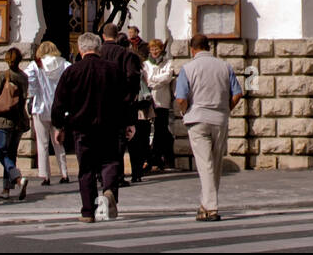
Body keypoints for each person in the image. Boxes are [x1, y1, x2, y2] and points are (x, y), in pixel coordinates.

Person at [50, 32, 135, 223]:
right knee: (110, 161)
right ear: (99, 49)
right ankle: (108, 190)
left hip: (82, 128)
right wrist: (129, 122)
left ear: (80, 50)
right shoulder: (113, 70)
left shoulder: (72, 71)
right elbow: (126, 98)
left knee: (86, 169)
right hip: (110, 126)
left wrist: (59, 126)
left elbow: (59, 103)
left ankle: (88, 212)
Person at [175, 35, 243, 222]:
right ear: (209, 47)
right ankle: (206, 205)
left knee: (205, 164)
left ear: (192, 49)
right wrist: (225, 109)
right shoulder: (225, 66)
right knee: (215, 163)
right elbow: (237, 94)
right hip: (220, 119)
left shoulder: (187, 68)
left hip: (197, 118)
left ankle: (211, 207)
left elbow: (181, 98)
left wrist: (184, 111)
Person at [98, 23, 142, 184]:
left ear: (103, 36)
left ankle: (101, 174)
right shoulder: (126, 54)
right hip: (119, 105)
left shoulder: (98, 52)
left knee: (101, 140)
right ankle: (117, 175)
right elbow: (132, 78)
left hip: (100, 104)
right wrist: (129, 99)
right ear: (117, 36)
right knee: (118, 141)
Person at [25, 40, 71, 185]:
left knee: (42, 143)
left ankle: (45, 175)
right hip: (58, 108)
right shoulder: (64, 64)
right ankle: (64, 173)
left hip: (40, 107)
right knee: (58, 141)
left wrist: (33, 93)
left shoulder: (35, 65)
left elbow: (29, 82)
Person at [0, 46, 29, 200]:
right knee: (11, 154)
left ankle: (18, 179)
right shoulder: (24, 77)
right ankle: (6, 189)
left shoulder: (4, 75)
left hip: (4, 120)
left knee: (2, 153)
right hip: (19, 120)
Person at [143, 40, 176, 171]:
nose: (155, 51)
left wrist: (153, 80)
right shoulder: (146, 64)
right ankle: (157, 157)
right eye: (152, 49)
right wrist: (156, 79)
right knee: (150, 130)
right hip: (150, 101)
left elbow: (167, 77)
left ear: (161, 49)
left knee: (161, 129)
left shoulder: (168, 62)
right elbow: (147, 80)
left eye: (157, 49)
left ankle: (156, 157)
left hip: (163, 101)